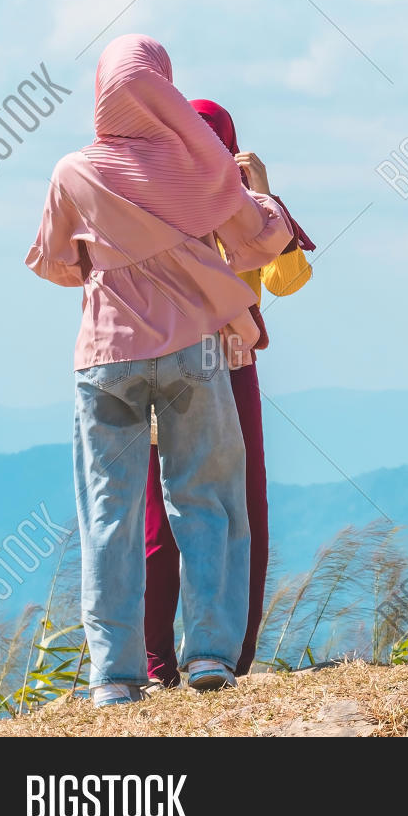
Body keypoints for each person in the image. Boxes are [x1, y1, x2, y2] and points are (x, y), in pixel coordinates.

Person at [25, 35, 295, 705]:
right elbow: (262, 239)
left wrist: (113, 263)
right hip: (193, 353)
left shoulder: (72, 171)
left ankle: (115, 678)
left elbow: (57, 264)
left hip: (105, 359)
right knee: (208, 501)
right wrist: (259, 197)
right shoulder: (200, 168)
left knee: (108, 515)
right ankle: (210, 656)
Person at [144, 99, 314, 689]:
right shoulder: (159, 204)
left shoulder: (250, 212)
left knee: (241, 511)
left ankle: (224, 657)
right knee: (160, 520)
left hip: (230, 367)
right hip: (172, 369)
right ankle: (156, 663)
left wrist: (263, 196)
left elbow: (288, 281)